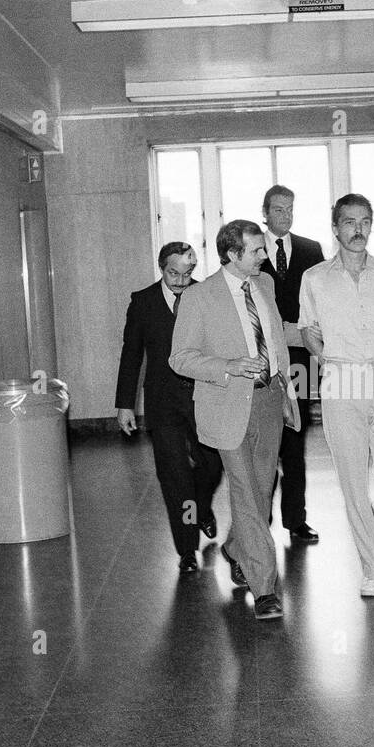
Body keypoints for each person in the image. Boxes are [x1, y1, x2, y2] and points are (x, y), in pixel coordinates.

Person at [170, 221, 301, 620]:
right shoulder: (199, 297)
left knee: (261, 493)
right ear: (232, 255)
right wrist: (229, 366)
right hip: (227, 405)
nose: (265, 257)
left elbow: (276, 334)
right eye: (257, 251)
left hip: (269, 401)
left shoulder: (264, 286)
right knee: (245, 491)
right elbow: (180, 358)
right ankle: (265, 590)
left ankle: (234, 548)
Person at [299, 194, 374, 598]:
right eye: (349, 222)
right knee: (353, 484)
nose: (357, 229)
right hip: (341, 382)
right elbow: (308, 328)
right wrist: (325, 357)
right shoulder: (315, 278)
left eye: (365, 221)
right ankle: (370, 569)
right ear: (336, 228)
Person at [115, 242, 222, 574]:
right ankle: (187, 548)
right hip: (163, 403)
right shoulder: (143, 302)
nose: (180, 280)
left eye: (187, 273)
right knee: (174, 477)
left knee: (212, 466)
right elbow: (131, 354)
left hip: (202, 398)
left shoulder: (205, 295)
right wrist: (124, 405)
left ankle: (202, 508)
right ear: (161, 267)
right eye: (173, 273)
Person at [259, 185, 325, 543]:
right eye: (279, 210)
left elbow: (319, 301)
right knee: (265, 442)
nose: (285, 216)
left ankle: (296, 519)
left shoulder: (310, 250)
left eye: (290, 209)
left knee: (295, 440)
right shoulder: (252, 250)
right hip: (263, 360)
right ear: (265, 212)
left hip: (299, 357)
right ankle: (260, 519)